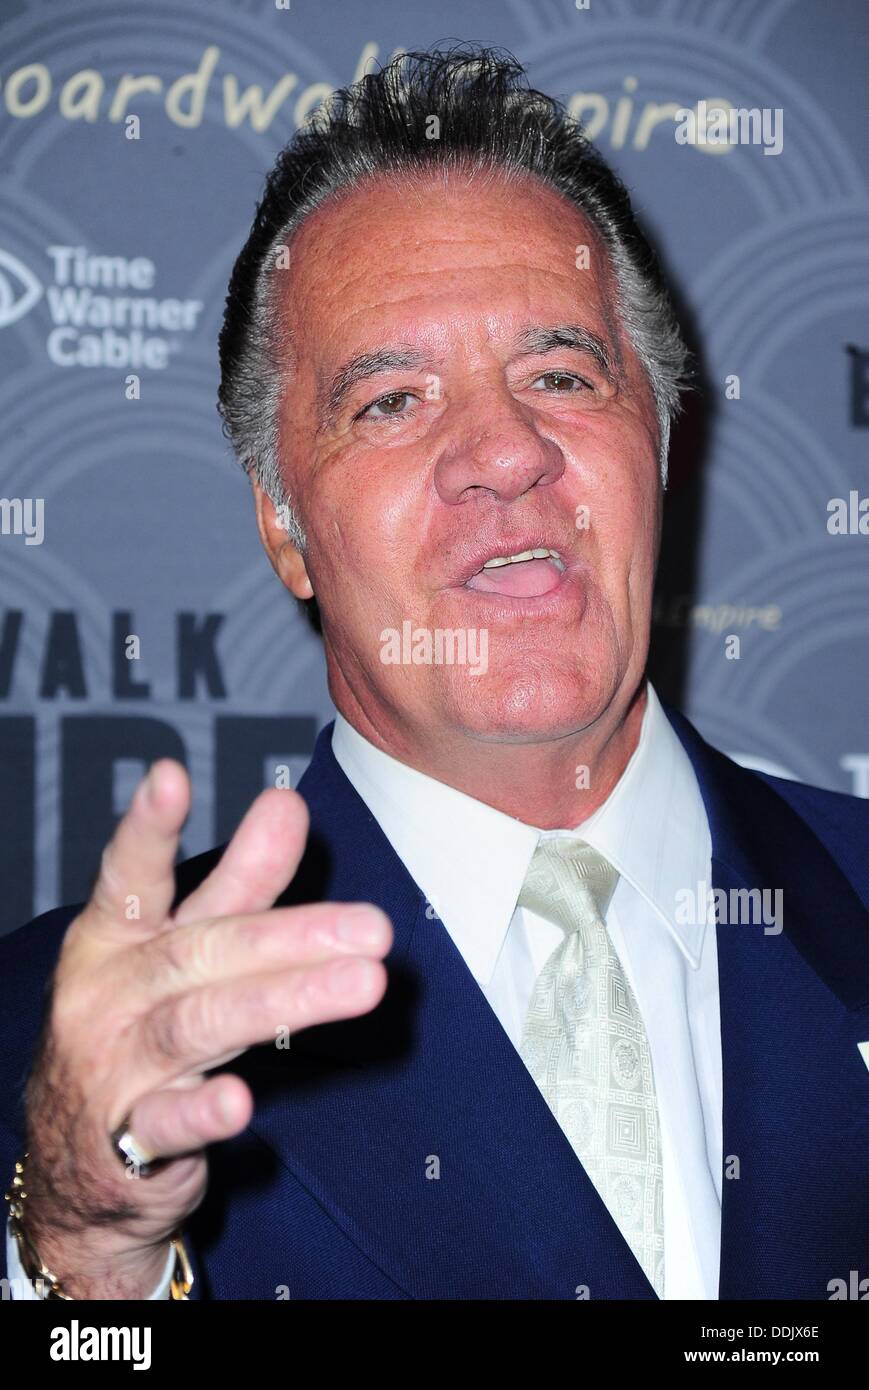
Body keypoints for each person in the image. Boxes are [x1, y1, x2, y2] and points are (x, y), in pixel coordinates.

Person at [2, 46, 867, 1302]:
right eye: (391, 401)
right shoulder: (49, 1052)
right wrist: (79, 1259)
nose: (503, 452)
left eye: (561, 376)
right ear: (283, 523)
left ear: (660, 441)